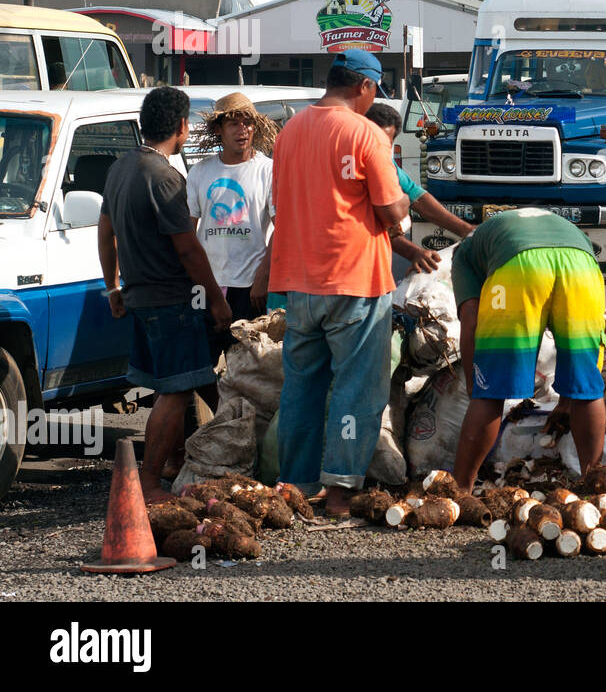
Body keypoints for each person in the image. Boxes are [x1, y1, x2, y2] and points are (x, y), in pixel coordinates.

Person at [271, 49, 410, 517]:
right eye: (375, 93)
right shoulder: (366, 132)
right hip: (355, 279)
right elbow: (392, 211)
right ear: (364, 87)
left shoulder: (289, 131)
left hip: (299, 278)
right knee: (356, 390)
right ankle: (338, 495)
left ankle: (293, 487)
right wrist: (401, 209)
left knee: (301, 389)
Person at [98, 87, 232, 503]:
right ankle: (150, 483)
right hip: (170, 301)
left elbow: (105, 233)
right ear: (180, 126)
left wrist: (112, 287)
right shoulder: (165, 177)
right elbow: (188, 248)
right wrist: (215, 298)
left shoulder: (120, 167)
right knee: (175, 392)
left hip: (138, 298)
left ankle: (180, 463)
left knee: (175, 384)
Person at [450, 209, 606, 492]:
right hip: (583, 266)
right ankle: (595, 486)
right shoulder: (532, 223)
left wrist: (477, 385)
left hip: (520, 266)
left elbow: (471, 320)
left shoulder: (463, 256)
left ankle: (460, 489)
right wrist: (566, 403)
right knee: (587, 386)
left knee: (491, 392)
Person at [187, 93, 277, 352]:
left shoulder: (267, 170)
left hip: (250, 286)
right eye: (234, 124)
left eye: (248, 123)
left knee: (249, 363)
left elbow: (280, 228)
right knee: (204, 359)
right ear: (219, 129)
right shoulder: (200, 172)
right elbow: (188, 232)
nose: (243, 130)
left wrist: (263, 276)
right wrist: (192, 281)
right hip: (207, 283)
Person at [364, 102, 473, 273]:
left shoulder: (386, 163)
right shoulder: (352, 163)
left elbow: (418, 197)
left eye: (386, 143)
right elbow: (378, 221)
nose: (379, 147)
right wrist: (413, 251)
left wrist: (467, 231)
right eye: (374, 139)